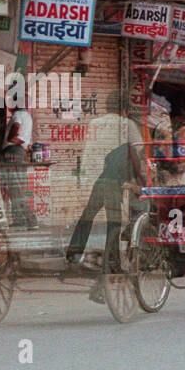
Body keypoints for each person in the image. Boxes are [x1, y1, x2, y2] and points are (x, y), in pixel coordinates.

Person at [66, 91, 144, 278]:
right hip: (115, 178)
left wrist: (84, 178)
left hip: (98, 177)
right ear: (124, 109)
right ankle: (112, 262)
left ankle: (73, 253)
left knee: (88, 215)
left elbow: (88, 153)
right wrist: (138, 180)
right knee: (114, 222)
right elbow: (139, 151)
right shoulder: (128, 124)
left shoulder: (95, 123)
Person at [0, 96, 36, 228]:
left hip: (12, 153)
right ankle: (20, 220)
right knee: (16, 189)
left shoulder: (17, 115)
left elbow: (13, 135)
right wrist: (23, 143)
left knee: (16, 189)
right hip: (20, 154)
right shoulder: (27, 116)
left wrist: (16, 140)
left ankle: (31, 220)